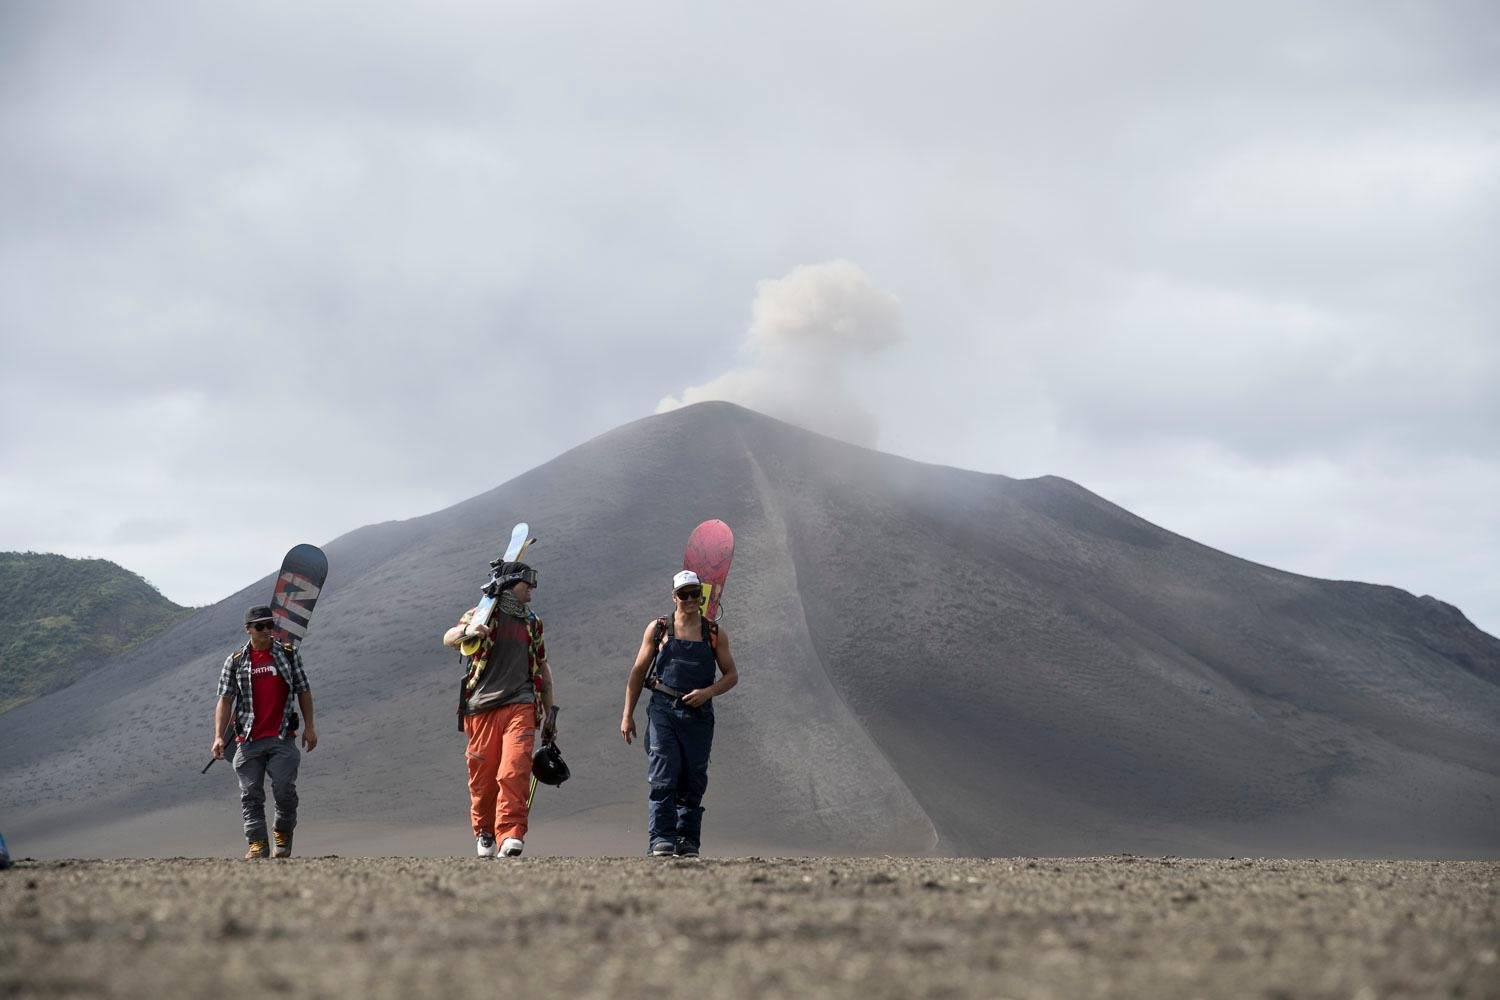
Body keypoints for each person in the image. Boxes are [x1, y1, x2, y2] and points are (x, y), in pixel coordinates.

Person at [621, 569, 739, 857]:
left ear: (701, 596)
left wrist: (707, 692)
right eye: (683, 594)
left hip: (699, 715)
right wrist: (628, 714)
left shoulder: (714, 634)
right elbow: (637, 672)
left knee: (693, 777)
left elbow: (731, 675)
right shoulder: (659, 629)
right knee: (663, 773)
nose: (689, 599)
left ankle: (688, 841)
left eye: (694, 594)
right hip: (664, 709)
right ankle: (661, 839)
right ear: (674, 597)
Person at [442, 560, 556, 858]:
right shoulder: (481, 614)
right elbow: (449, 638)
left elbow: (542, 665)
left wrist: (549, 710)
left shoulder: (532, 622)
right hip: (480, 707)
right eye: (526, 582)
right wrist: (469, 629)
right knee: (482, 778)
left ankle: (511, 832)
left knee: (514, 770)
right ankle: (486, 831)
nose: (532, 587)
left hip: (521, 703)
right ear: (509, 584)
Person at [211, 605, 318, 859]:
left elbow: (304, 690)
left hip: (282, 737)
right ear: (248, 629)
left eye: (271, 625)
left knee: (284, 789)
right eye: (260, 626)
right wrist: (218, 736)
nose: (267, 631)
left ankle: (282, 833)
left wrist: (310, 727)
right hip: (248, 740)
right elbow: (225, 700)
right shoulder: (236, 661)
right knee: (250, 794)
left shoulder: (288, 655)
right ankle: (257, 844)